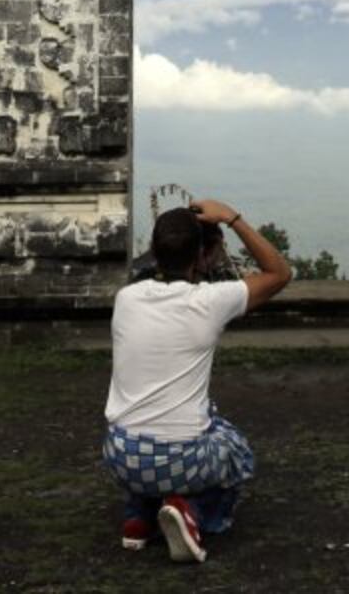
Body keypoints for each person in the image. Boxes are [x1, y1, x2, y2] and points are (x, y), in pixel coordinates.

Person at [102, 197, 292, 563]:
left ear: (154, 251)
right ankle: (195, 514)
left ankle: (138, 518)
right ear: (202, 256)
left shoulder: (126, 299)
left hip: (120, 455)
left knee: (180, 418)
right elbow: (279, 273)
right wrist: (233, 217)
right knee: (234, 447)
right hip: (181, 458)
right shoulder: (210, 301)